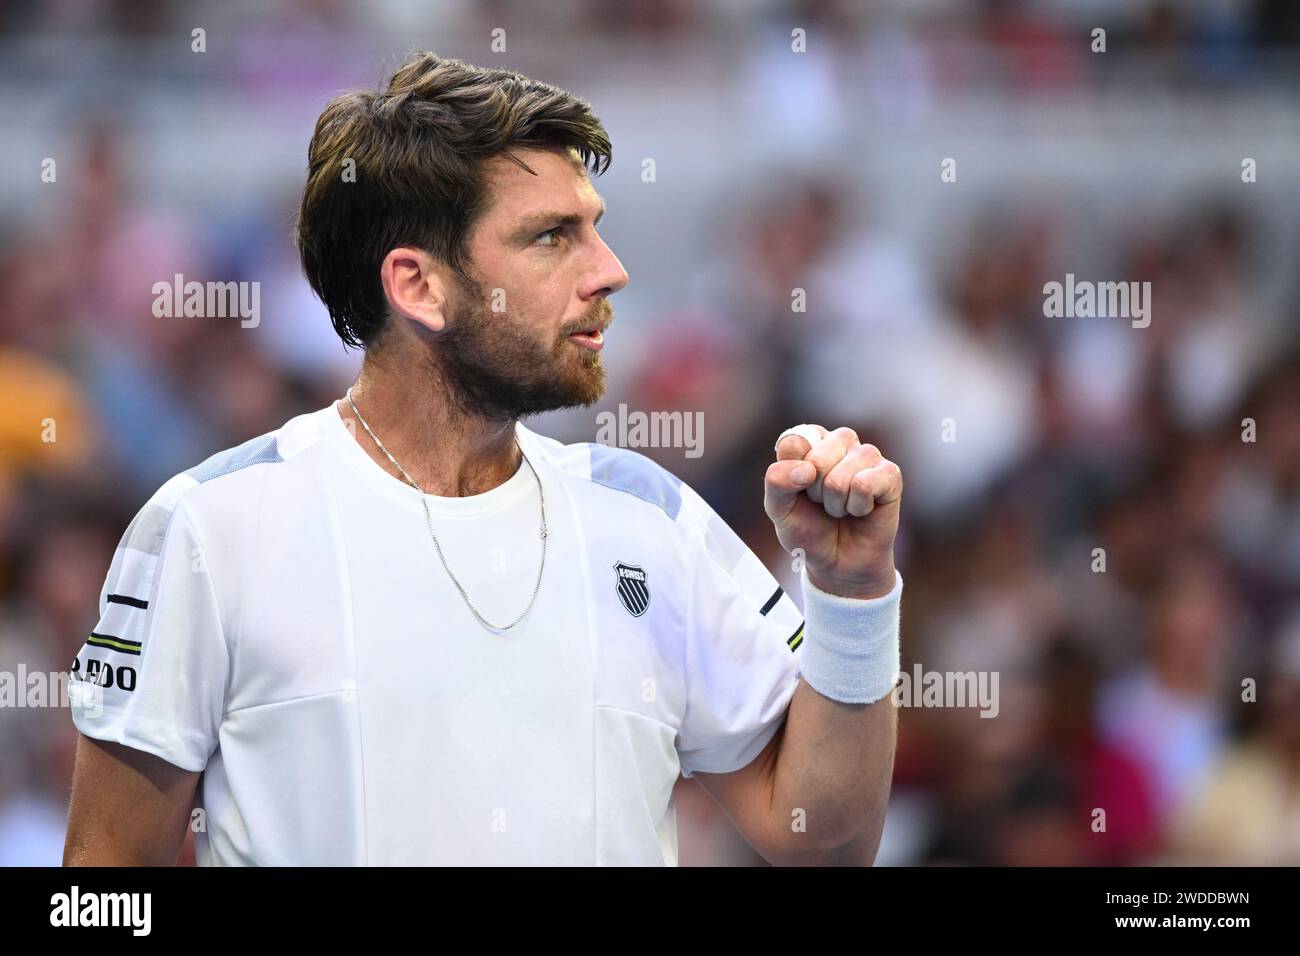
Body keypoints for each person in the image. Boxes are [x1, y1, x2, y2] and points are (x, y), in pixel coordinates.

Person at [63, 52, 904, 866]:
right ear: (418, 285)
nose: (609, 272)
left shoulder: (652, 517)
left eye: (595, 232)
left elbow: (824, 842)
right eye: (551, 238)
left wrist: (852, 595)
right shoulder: (211, 529)